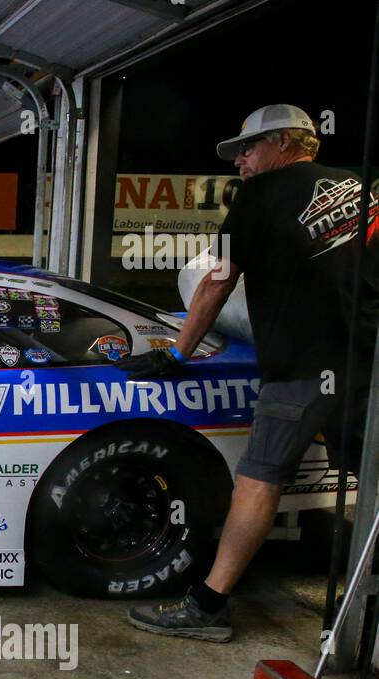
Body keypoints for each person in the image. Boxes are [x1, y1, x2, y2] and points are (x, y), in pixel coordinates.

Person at [117, 104, 378, 641]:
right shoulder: (361, 188)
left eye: (248, 148)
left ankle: (208, 606)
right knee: (372, 483)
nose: (239, 161)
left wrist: (177, 354)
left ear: (285, 143)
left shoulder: (260, 196)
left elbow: (215, 281)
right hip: (368, 364)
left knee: (260, 481)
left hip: (301, 369)